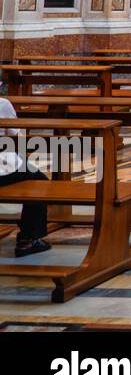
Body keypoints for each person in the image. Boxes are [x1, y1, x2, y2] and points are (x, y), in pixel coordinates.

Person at [0, 97, 51, 258]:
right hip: (4, 168)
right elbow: (17, 138)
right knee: (40, 183)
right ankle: (28, 239)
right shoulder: (3, 104)